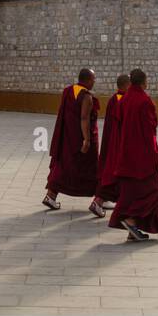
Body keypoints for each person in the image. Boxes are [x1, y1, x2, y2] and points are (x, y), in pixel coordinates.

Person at [106, 68, 158, 240]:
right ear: (144, 81)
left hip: (126, 154)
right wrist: (154, 159)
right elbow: (150, 130)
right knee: (152, 190)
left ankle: (132, 232)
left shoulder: (124, 99)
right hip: (142, 156)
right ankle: (130, 220)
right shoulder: (145, 101)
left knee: (130, 192)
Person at [42, 68, 102, 216]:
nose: (94, 81)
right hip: (82, 138)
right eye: (93, 79)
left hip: (67, 138)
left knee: (63, 166)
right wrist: (87, 139)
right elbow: (84, 118)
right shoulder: (86, 96)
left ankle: (50, 196)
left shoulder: (68, 91)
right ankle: (100, 200)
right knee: (92, 168)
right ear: (87, 80)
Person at [93, 73, 130, 211]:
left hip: (111, 141)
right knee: (115, 173)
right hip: (119, 143)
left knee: (111, 171)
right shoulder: (124, 100)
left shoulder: (114, 99)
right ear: (127, 85)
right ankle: (99, 200)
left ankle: (104, 200)